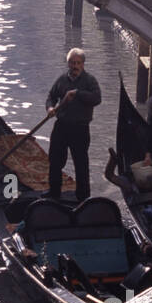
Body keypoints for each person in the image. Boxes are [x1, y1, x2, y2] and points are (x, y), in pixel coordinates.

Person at [45, 48, 101, 202]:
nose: (75, 66)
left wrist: (77, 93)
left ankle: (83, 197)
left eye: (78, 63)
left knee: (81, 162)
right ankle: (54, 192)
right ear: (68, 63)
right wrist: (50, 108)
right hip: (61, 126)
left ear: (83, 64)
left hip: (80, 128)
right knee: (55, 160)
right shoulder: (62, 80)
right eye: (72, 63)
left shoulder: (90, 81)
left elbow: (97, 99)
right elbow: (51, 97)